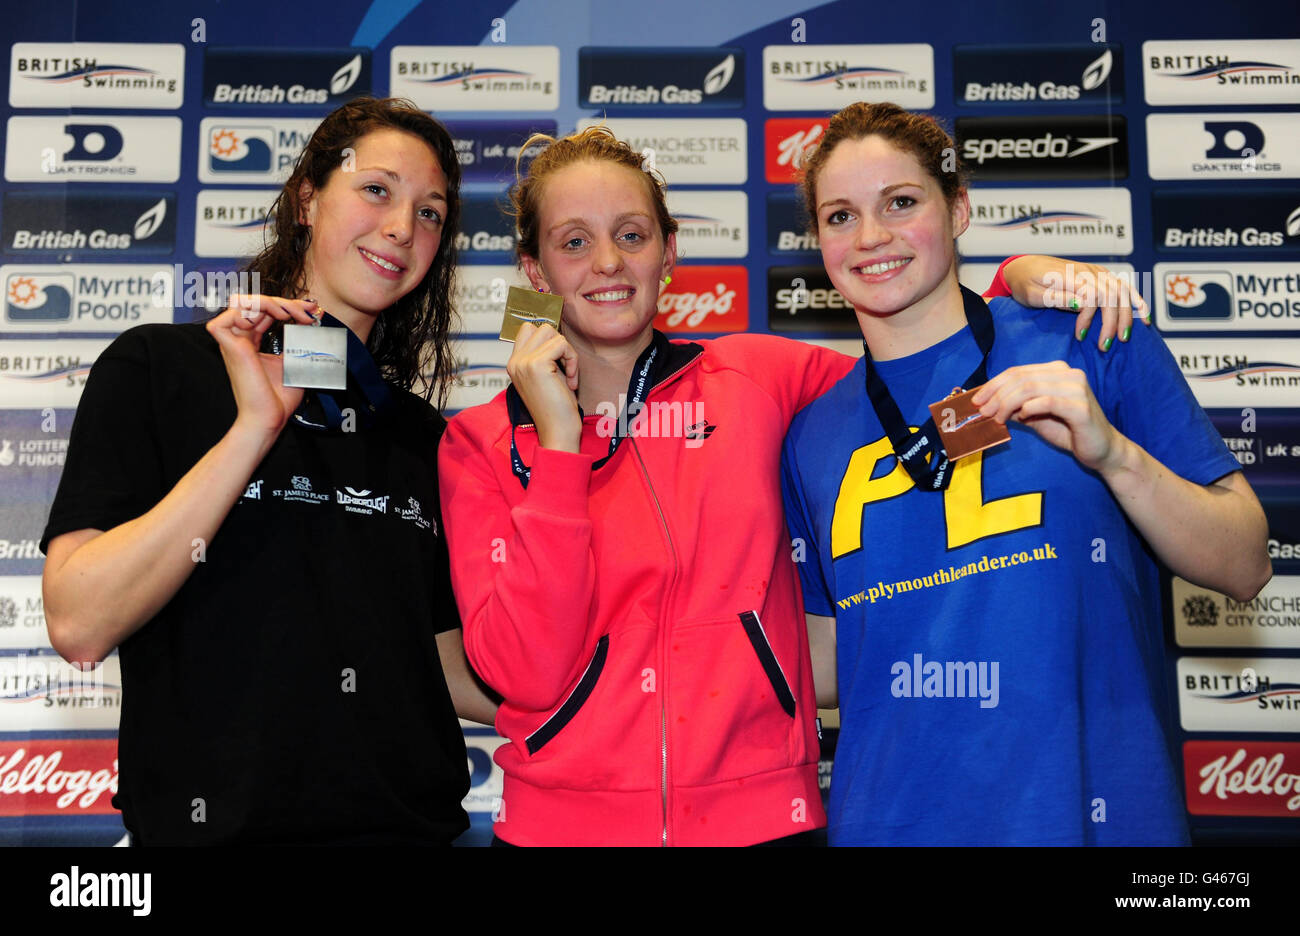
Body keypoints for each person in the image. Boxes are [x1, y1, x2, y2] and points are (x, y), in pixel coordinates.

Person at [436, 125, 1144, 846]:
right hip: (558, 829)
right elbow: (522, 673)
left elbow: (921, 391)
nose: (609, 262)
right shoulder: (480, 442)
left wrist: (1013, 284)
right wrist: (558, 449)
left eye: (632, 234)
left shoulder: (758, 377)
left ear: (669, 253)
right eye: (574, 242)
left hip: (763, 820)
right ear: (535, 271)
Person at [780, 102, 1272, 846]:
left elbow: (1245, 563)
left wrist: (1114, 454)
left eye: (902, 203)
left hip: (1089, 812)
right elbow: (821, 666)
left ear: (960, 207)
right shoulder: (812, 434)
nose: (871, 237)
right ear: (817, 240)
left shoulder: (1091, 339)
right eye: (840, 216)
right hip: (888, 819)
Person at [40, 97, 494, 845]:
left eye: (431, 213)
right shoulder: (158, 370)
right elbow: (80, 622)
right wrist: (254, 427)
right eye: (376, 189)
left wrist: (605, 706)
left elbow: (435, 660)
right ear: (307, 198)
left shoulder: (419, 433)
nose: (401, 228)